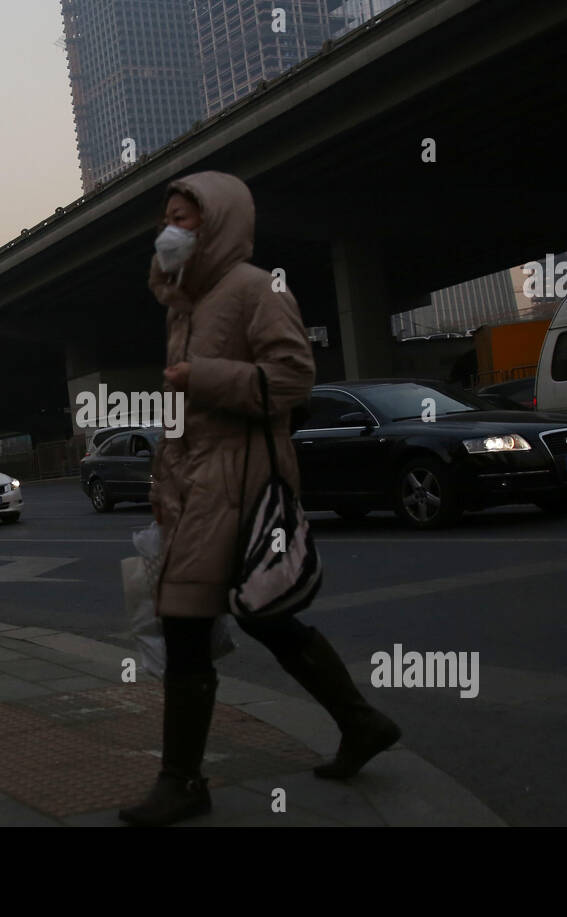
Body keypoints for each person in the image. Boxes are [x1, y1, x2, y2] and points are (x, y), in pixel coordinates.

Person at [118, 171, 402, 827]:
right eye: (168, 217)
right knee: (264, 612)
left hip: (241, 475)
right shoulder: (183, 303)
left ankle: (182, 780)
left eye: (185, 217)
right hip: (198, 479)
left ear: (219, 223)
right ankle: (361, 721)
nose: (172, 229)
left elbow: (294, 377)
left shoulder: (256, 288)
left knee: (187, 620)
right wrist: (166, 483)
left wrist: (206, 377)